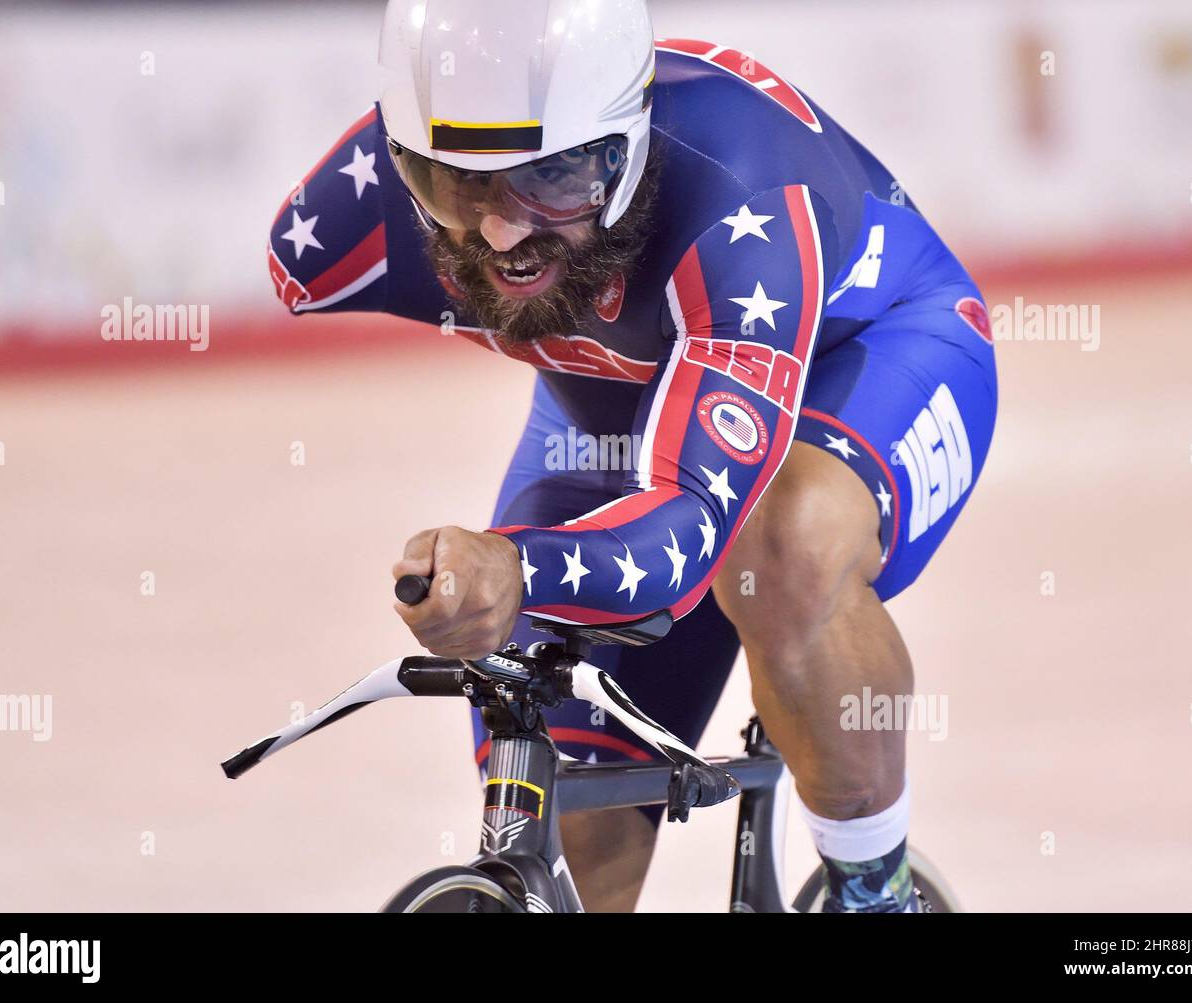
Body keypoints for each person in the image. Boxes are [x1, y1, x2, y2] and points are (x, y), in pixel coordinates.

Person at [267, 0, 997, 913]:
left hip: (865, 357)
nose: (500, 232)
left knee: (777, 554)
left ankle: (876, 889)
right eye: (458, 187)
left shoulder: (747, 202)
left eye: (553, 179)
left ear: (628, 143)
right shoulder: (349, 217)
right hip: (616, 409)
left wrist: (515, 565)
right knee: (571, 826)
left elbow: (692, 530)